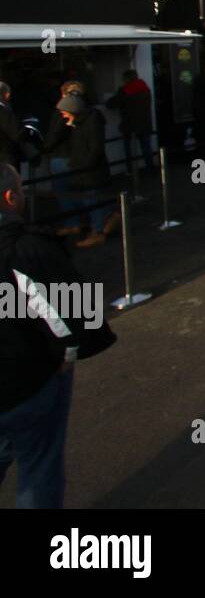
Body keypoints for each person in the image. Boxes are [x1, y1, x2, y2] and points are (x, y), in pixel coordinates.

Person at [0, 164, 116, 508]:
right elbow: (77, 315)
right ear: (11, 198)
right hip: (29, 380)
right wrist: (67, 354)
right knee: (39, 471)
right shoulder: (27, 247)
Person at [44, 94, 114, 248]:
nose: (62, 115)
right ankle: (103, 223)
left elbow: (94, 148)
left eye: (64, 112)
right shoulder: (77, 122)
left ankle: (99, 230)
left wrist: (81, 165)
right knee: (89, 199)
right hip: (83, 168)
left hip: (89, 170)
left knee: (92, 199)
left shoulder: (90, 121)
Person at [106, 69, 154, 173]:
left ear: (125, 78)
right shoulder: (144, 87)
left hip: (129, 123)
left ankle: (130, 170)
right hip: (144, 122)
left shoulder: (124, 90)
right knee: (146, 148)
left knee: (129, 149)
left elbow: (111, 104)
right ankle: (150, 168)